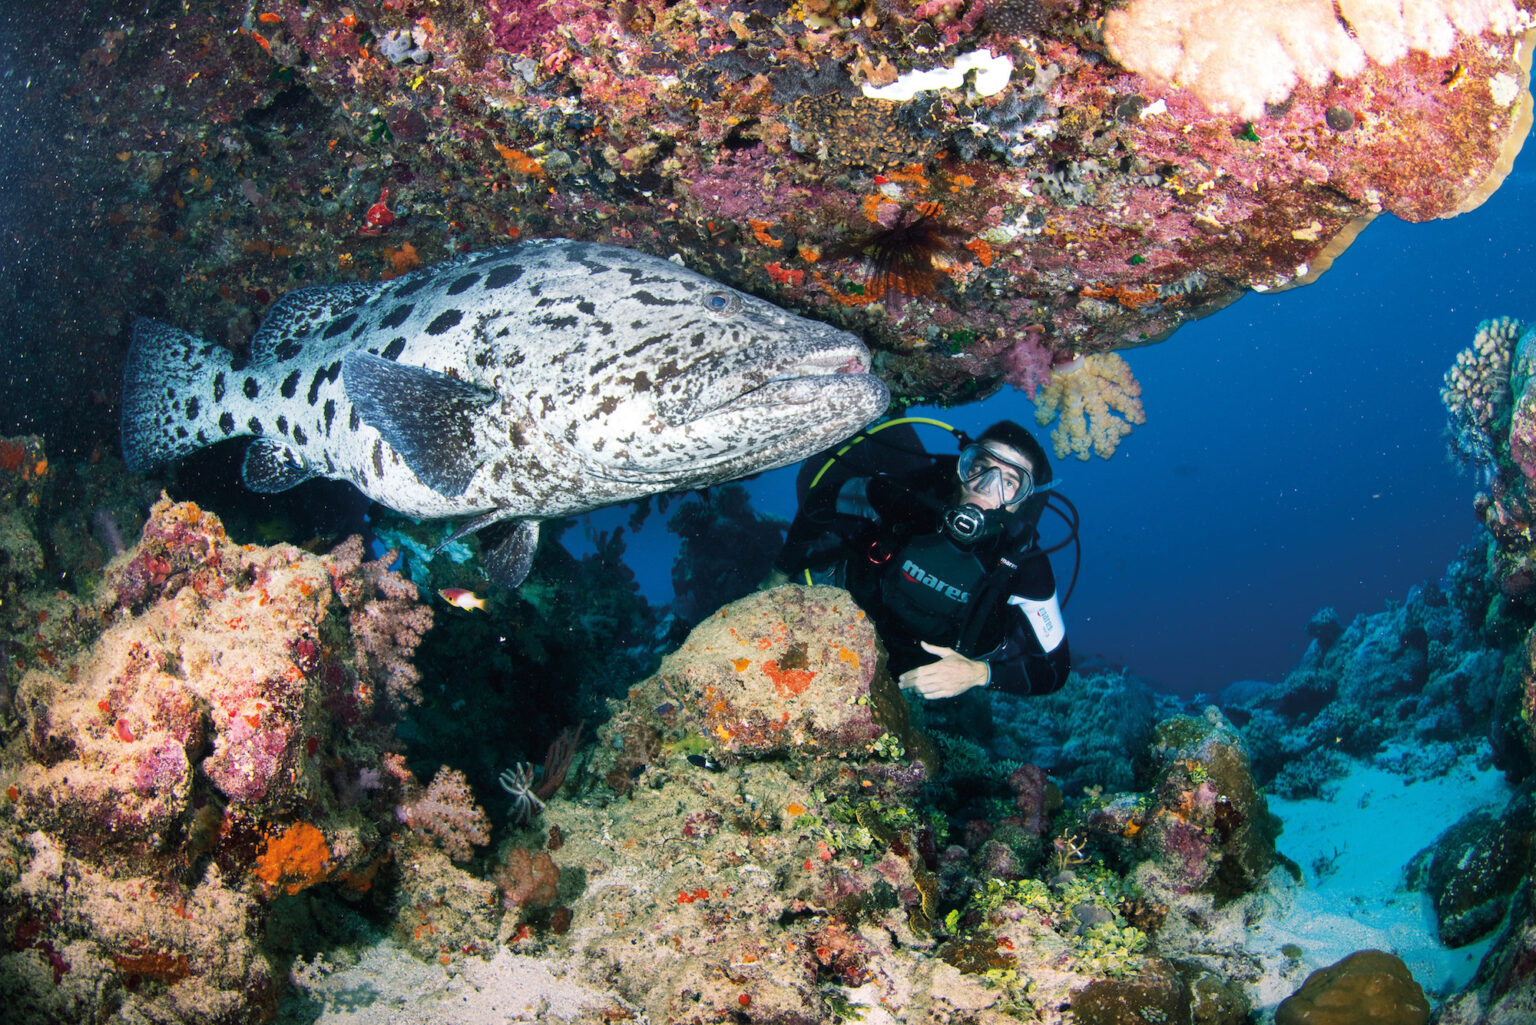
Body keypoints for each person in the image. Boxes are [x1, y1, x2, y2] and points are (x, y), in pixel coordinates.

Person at [772, 420, 1071, 706]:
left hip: (915, 669)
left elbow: (1055, 671)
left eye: (1009, 482)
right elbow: (822, 500)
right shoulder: (907, 500)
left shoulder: (1025, 568)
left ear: (1023, 501)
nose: (986, 487)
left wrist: (980, 674)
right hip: (848, 611)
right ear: (962, 467)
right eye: (980, 467)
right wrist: (779, 572)